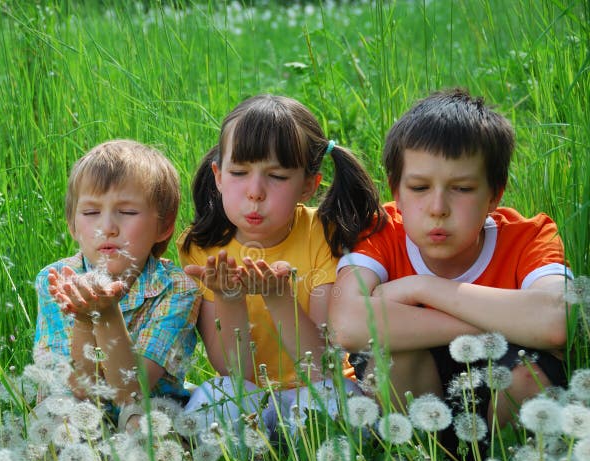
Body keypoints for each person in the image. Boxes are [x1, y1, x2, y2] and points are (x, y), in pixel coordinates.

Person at [330, 88, 573, 435]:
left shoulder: (529, 236)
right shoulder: (381, 231)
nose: (438, 208)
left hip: (499, 392)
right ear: (395, 192)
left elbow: (556, 320)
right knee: (393, 358)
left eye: (461, 188)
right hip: (414, 396)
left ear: (495, 194)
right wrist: (502, 327)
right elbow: (347, 324)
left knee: (529, 375)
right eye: (419, 188)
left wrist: (422, 288)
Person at [179, 94, 385, 437]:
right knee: (211, 401)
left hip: (318, 393)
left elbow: (323, 369)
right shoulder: (202, 246)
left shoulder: (324, 234)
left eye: (276, 176)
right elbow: (234, 374)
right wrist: (229, 297)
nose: (255, 192)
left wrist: (279, 298)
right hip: (250, 399)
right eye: (239, 172)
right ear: (218, 176)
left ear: (308, 185)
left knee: (344, 408)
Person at [33, 139, 201, 432]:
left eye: (127, 212)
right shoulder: (56, 280)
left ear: (164, 225)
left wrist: (106, 314)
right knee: (57, 421)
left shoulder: (178, 289)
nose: (108, 226)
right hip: (76, 406)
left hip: (148, 407)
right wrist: (86, 320)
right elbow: (78, 386)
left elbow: (132, 391)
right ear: (72, 224)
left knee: (142, 426)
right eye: (90, 213)